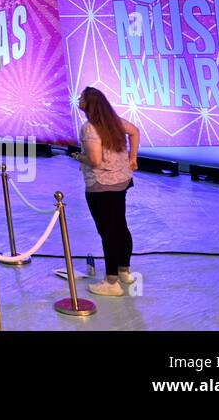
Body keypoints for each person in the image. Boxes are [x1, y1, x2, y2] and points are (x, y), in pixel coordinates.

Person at [71, 87, 141, 297]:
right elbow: (135, 131)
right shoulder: (114, 121)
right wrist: (133, 158)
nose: (79, 100)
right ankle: (124, 271)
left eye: (82, 98)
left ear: (89, 105)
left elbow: (95, 161)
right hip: (121, 181)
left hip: (101, 186)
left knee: (108, 231)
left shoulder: (89, 128)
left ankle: (111, 282)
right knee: (120, 226)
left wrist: (78, 156)